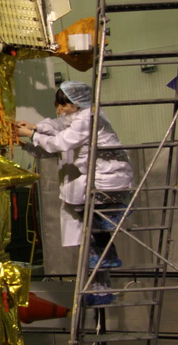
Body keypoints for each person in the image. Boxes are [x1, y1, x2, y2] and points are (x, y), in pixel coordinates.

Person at [15, 81, 133, 270]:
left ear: (76, 102)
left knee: (88, 213)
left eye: (64, 105)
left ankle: (114, 212)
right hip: (92, 177)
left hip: (106, 174)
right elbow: (58, 126)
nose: (60, 110)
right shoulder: (77, 118)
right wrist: (35, 128)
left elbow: (59, 141)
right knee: (88, 223)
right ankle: (105, 257)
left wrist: (31, 134)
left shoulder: (87, 119)